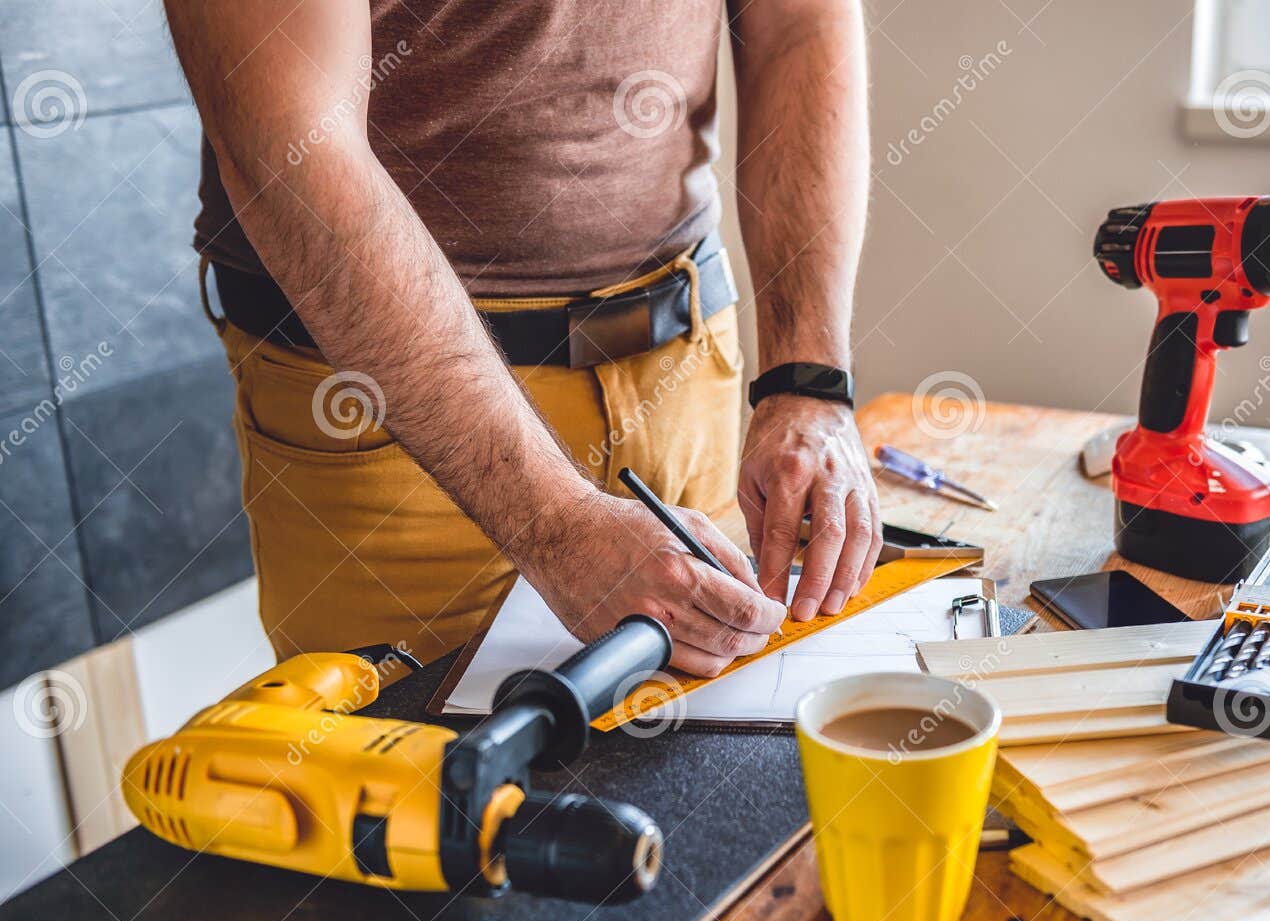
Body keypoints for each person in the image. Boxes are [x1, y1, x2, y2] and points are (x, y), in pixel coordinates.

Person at [166, 0, 882, 676]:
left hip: (683, 369)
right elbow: (291, 150)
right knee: (431, 790)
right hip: (388, 413)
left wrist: (806, 381)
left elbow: (797, 25)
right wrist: (555, 525)